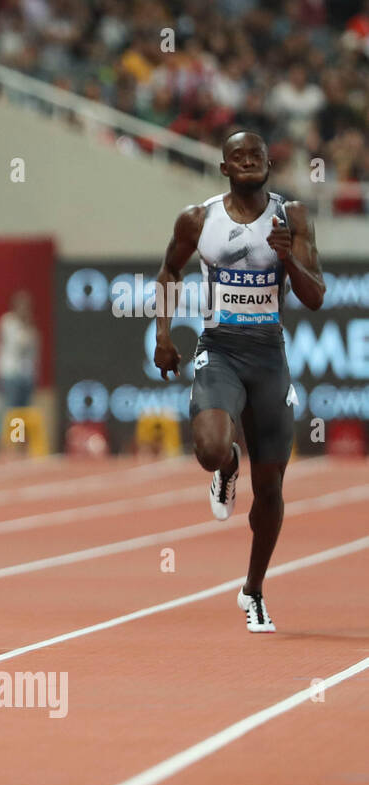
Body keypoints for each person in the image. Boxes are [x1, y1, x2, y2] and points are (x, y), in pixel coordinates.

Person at [154, 129, 325, 633]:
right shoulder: (198, 219)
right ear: (224, 167)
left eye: (257, 155)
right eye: (238, 157)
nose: (248, 162)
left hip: (269, 357)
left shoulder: (291, 217)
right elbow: (168, 272)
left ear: (270, 164)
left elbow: (314, 297)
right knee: (210, 446)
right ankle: (226, 465)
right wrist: (162, 336)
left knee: (270, 486)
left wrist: (288, 255)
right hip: (220, 350)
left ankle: (253, 590)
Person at [0, 290, 39, 408]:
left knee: (24, 416)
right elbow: (19, 345)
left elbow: (34, 352)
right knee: (12, 414)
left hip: (27, 377)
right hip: (11, 375)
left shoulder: (31, 326)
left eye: (27, 305)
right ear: (15, 305)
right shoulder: (7, 322)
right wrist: (26, 327)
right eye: (21, 304)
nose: (24, 308)